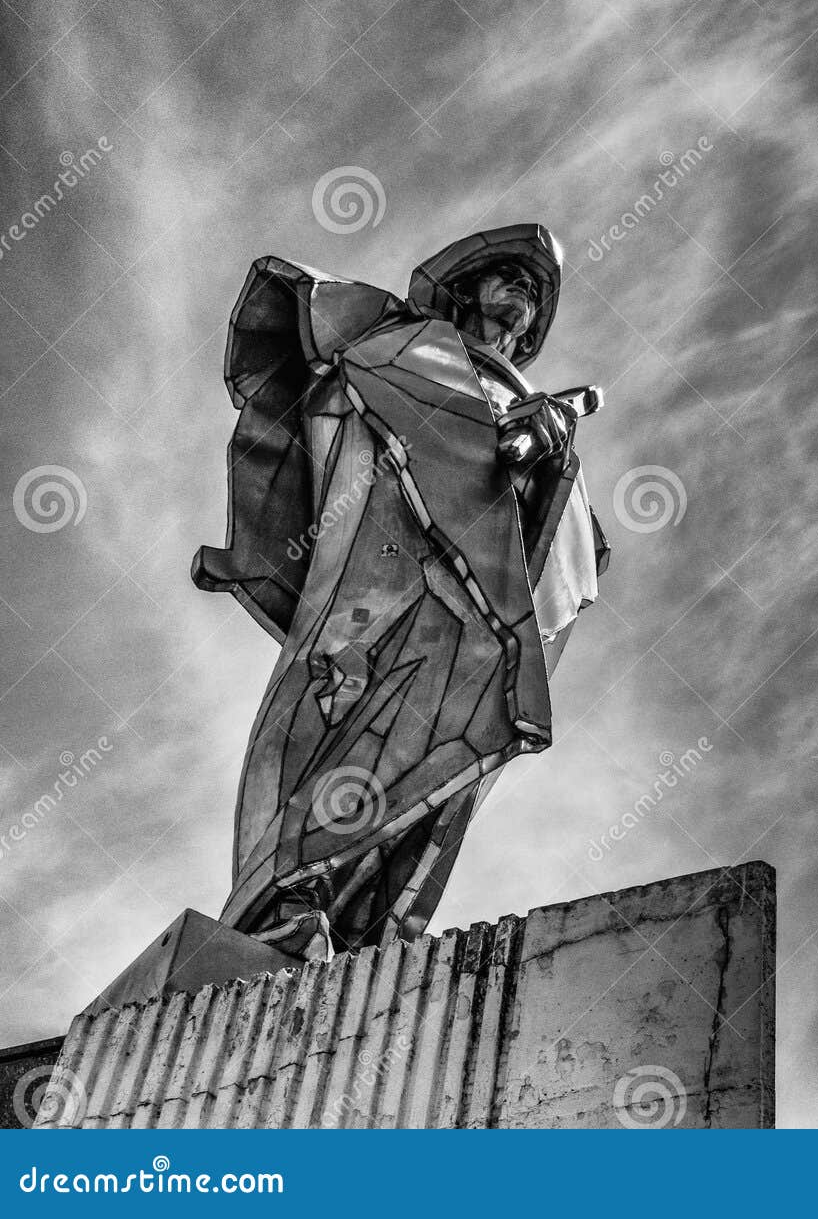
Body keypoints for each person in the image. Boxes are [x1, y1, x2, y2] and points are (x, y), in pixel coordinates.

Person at [192, 224, 609, 955]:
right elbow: (349, 416)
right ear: (465, 283)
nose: (525, 294)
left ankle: (369, 925)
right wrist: (477, 433)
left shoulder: (538, 409)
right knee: (338, 696)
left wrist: (549, 458)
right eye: (511, 275)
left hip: (478, 610)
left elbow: (560, 563)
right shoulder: (399, 347)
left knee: (449, 725)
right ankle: (281, 897)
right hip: (376, 567)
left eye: (537, 291)